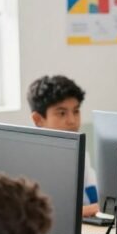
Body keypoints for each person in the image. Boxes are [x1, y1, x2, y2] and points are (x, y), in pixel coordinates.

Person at [27, 74, 100, 216]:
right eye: (61, 113)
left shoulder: (78, 152)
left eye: (76, 111)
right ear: (38, 119)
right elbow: (40, 213)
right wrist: (87, 210)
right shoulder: (32, 159)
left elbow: (94, 195)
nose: (72, 120)